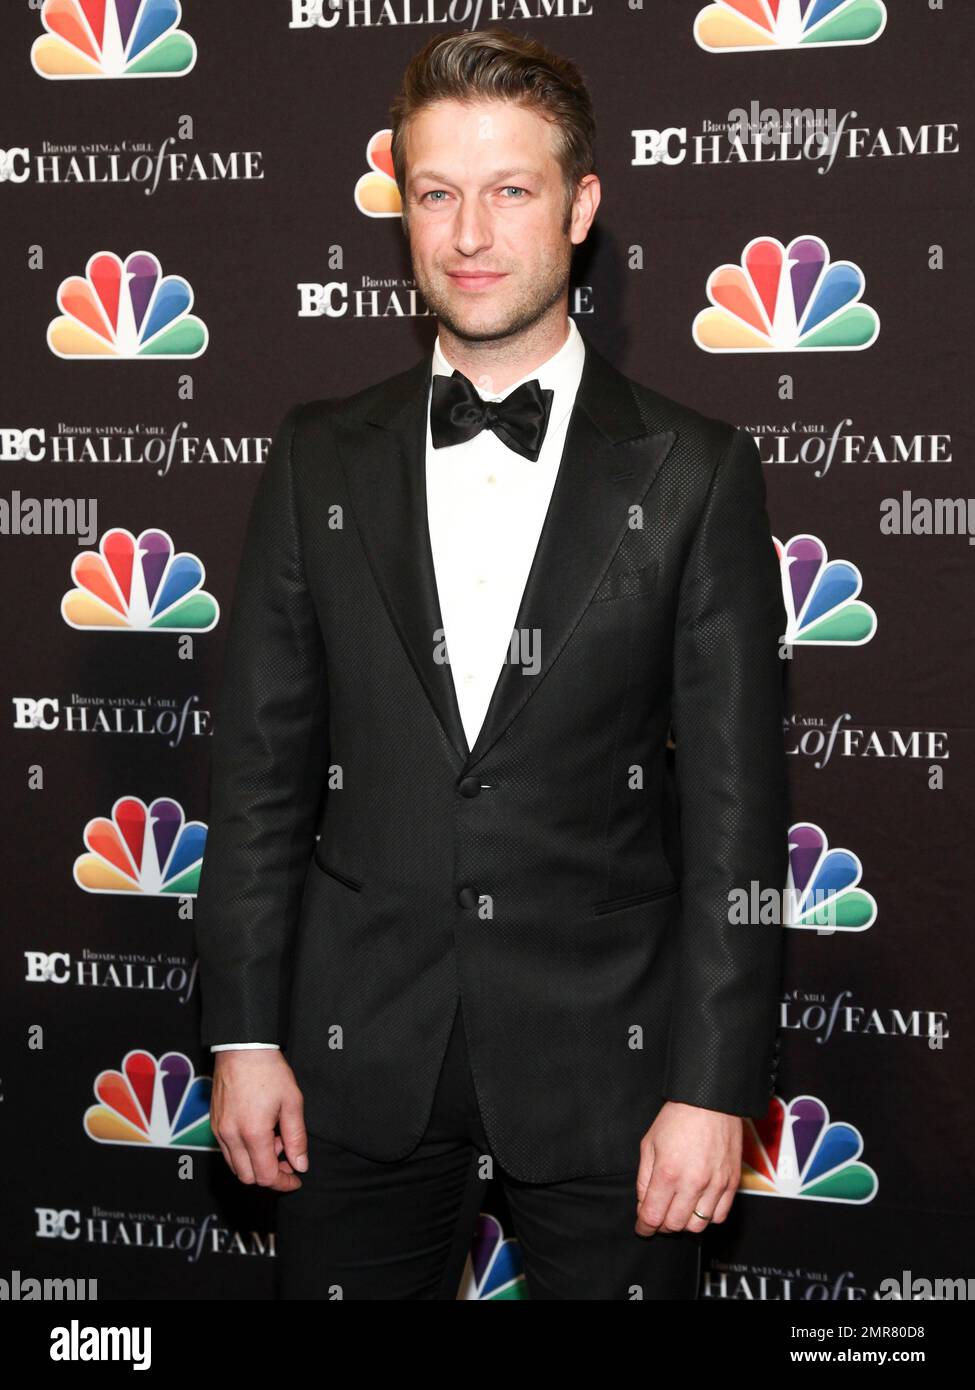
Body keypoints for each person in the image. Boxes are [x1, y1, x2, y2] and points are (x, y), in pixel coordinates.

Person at [194, 26, 789, 1301]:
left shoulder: (694, 473)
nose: (469, 233)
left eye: (510, 189)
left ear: (580, 207)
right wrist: (243, 1033)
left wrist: (711, 1086)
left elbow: (741, 821)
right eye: (436, 192)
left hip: (611, 1070)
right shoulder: (316, 458)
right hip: (353, 1063)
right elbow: (258, 771)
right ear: (401, 207)